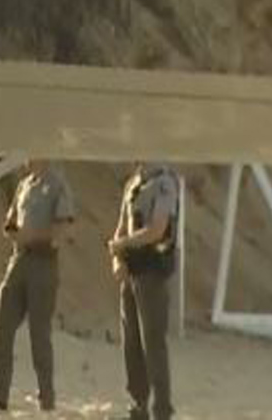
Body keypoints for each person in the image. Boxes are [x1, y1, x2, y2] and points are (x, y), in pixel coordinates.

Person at [0, 160, 75, 412]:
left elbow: (63, 227)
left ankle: (46, 396)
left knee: (38, 333)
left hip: (43, 262)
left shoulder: (57, 184)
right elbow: (11, 219)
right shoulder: (24, 184)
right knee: (4, 323)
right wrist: (13, 231)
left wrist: (33, 235)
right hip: (19, 258)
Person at [107, 163, 181, 420]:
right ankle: (139, 403)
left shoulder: (164, 183)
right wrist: (118, 260)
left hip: (152, 272)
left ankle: (161, 408)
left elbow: (157, 230)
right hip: (132, 272)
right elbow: (120, 229)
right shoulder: (133, 183)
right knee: (131, 343)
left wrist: (122, 244)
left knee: (153, 343)